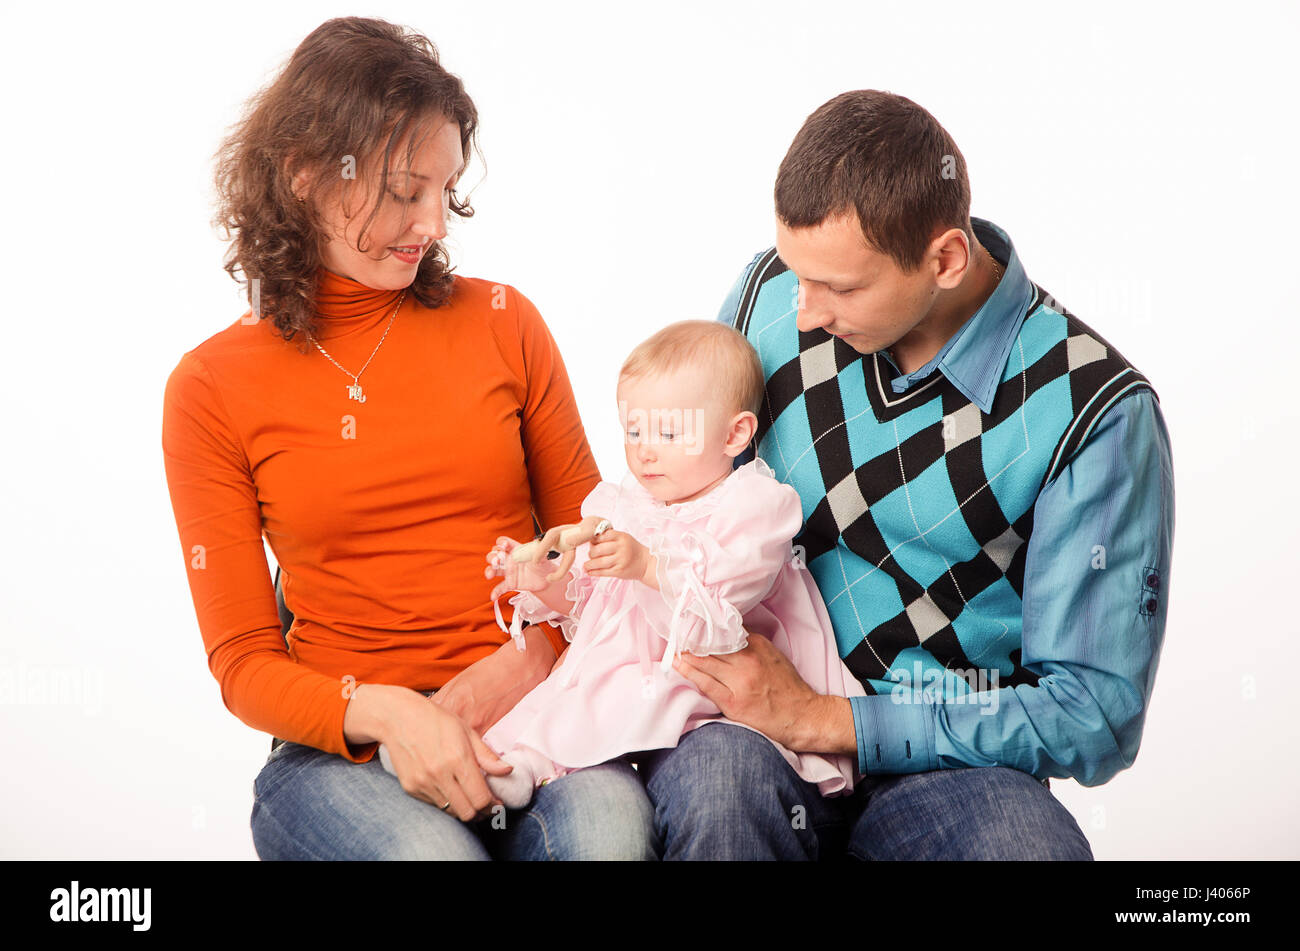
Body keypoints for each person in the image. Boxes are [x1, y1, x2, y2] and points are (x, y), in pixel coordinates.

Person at [161, 16, 656, 860]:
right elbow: (243, 661)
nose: (430, 220)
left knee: (610, 835)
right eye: (402, 189)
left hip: (538, 718)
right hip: (340, 755)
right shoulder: (211, 386)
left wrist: (531, 658)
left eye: (444, 186)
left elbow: (598, 557)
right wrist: (394, 713)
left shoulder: (504, 323)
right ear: (303, 172)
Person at [639, 90, 1175, 860]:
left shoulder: (1092, 413)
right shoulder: (770, 297)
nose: (803, 314)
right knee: (718, 792)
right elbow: (683, 489)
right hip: (750, 728)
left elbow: (1091, 713)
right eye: (796, 274)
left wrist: (831, 718)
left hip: (952, 763)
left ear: (946, 258)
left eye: (842, 287)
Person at [384, 321, 865, 808]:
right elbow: (593, 605)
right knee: (567, 688)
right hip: (630, 659)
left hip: (711, 669)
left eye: (669, 432)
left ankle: (520, 767)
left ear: (734, 434)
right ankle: (477, 757)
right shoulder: (630, 504)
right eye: (633, 430)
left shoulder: (753, 508)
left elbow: (719, 618)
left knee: (605, 697)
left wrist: (646, 566)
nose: (644, 450)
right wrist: (545, 577)